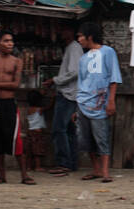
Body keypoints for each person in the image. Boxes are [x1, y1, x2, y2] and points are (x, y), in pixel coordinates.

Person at [0, 30, 35, 185]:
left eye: (11, 41)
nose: (10, 43)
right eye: (6, 41)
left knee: (15, 139)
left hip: (9, 103)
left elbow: (15, 85)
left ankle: (24, 175)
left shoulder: (17, 61)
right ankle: (2, 175)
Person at [75, 23, 121, 183]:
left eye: (81, 36)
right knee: (86, 139)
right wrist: (77, 104)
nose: (79, 40)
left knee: (102, 137)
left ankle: (106, 172)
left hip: (100, 103)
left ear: (90, 36)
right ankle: (96, 170)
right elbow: (81, 82)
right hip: (83, 102)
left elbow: (114, 78)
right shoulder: (83, 58)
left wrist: (111, 101)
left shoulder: (108, 52)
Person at [47, 23, 83, 176]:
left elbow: (74, 72)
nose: (60, 32)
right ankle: (71, 163)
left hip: (68, 94)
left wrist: (55, 80)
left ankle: (63, 163)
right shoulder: (71, 48)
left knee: (59, 129)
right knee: (69, 130)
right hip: (69, 93)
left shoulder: (74, 48)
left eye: (62, 29)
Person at [25, 90, 47, 173]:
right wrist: (53, 99)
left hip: (30, 132)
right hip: (37, 133)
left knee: (29, 151)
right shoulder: (39, 109)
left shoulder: (29, 109)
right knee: (37, 151)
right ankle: (38, 167)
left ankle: (28, 167)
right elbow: (49, 107)